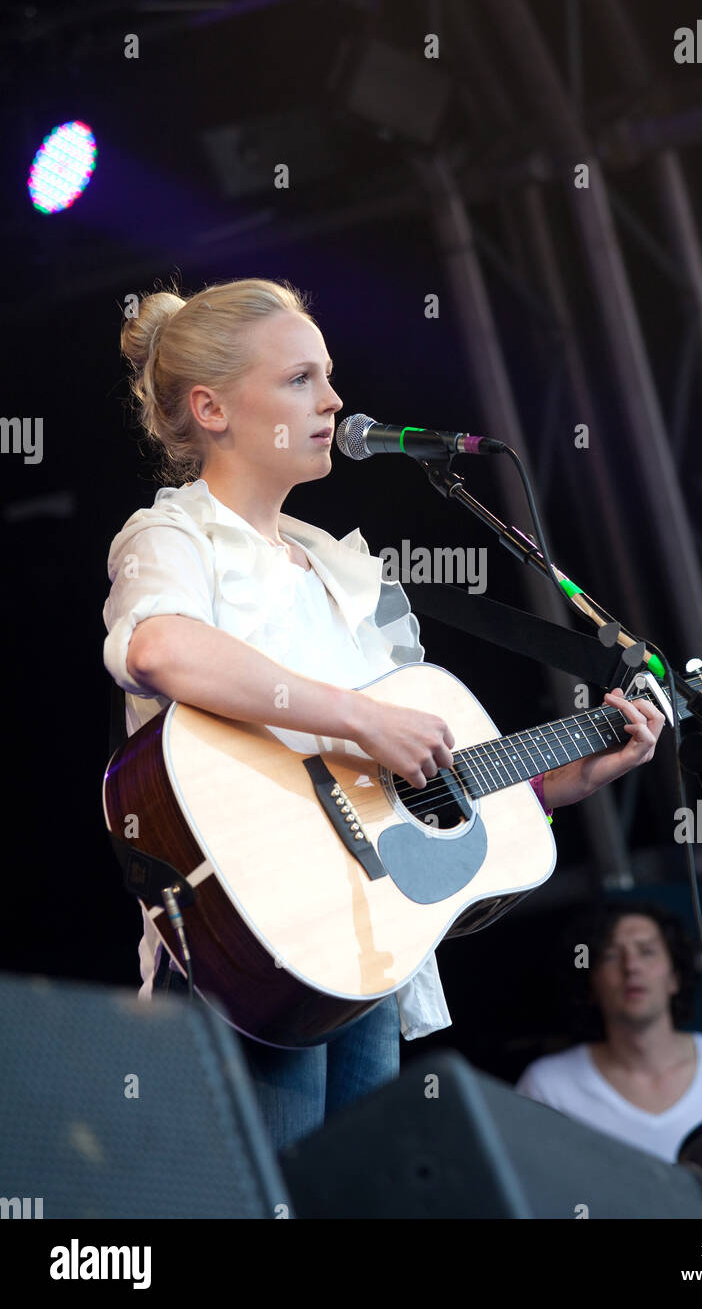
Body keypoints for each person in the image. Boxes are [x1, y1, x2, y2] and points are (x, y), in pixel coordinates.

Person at [103, 277, 666, 1152]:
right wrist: (360, 721)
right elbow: (159, 650)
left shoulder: (337, 569)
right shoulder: (174, 535)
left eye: (329, 375)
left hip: (362, 951)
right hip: (253, 939)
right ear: (211, 407)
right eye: (299, 379)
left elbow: (419, 787)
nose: (333, 399)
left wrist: (576, 774)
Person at [515, 900, 702, 1163]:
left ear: (674, 977)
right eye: (611, 955)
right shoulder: (548, 1087)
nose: (631, 967)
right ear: (591, 983)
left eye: (647, 951)